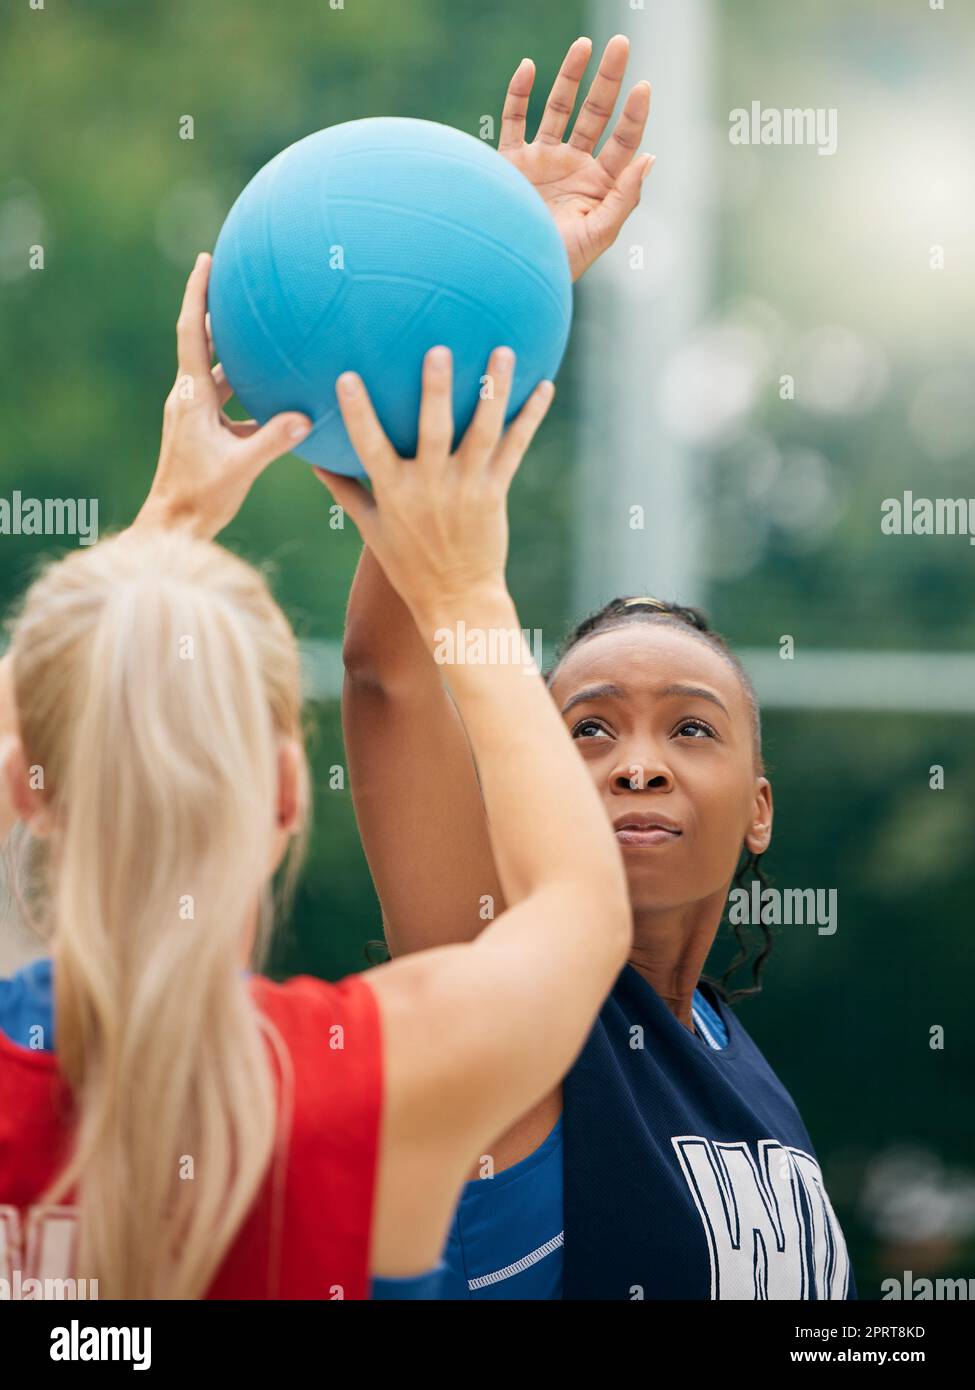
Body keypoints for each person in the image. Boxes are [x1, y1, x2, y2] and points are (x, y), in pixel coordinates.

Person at [0, 253, 631, 1300]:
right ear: (291, 790)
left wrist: (170, 517)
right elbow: (581, 909)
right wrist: (464, 590)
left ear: (31, 788)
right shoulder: (367, 1079)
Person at [338, 39, 856, 1300]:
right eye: (583, 729)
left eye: (691, 729)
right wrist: (496, 287)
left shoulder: (747, 1075)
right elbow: (391, 682)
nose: (635, 763)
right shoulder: (518, 998)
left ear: (761, 806)